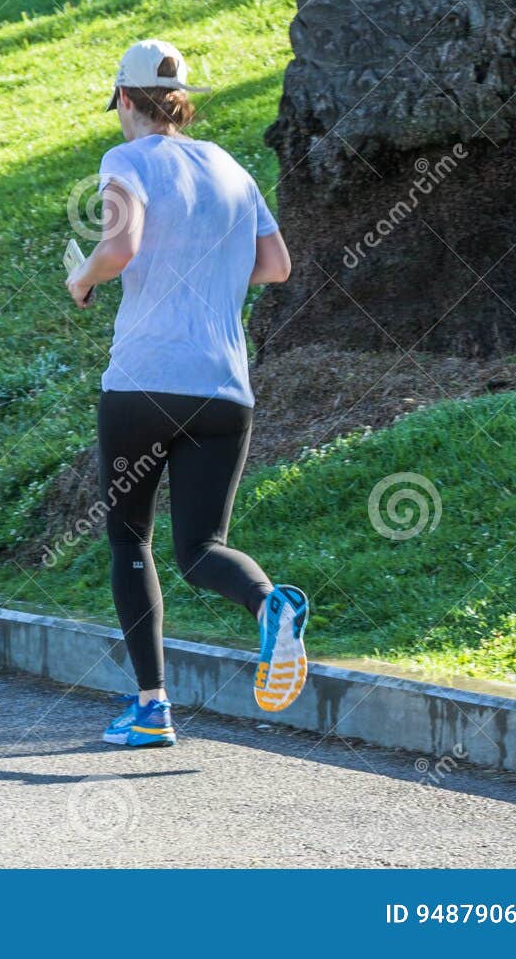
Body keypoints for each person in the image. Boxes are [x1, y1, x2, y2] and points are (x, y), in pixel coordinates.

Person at [65, 39, 311, 749]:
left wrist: (81, 279)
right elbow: (276, 264)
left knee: (129, 541)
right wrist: (206, 275)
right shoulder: (230, 167)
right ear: (179, 99)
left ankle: (151, 709)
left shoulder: (128, 160)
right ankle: (269, 606)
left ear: (125, 100)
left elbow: (120, 248)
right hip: (224, 388)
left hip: (144, 380)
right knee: (202, 546)